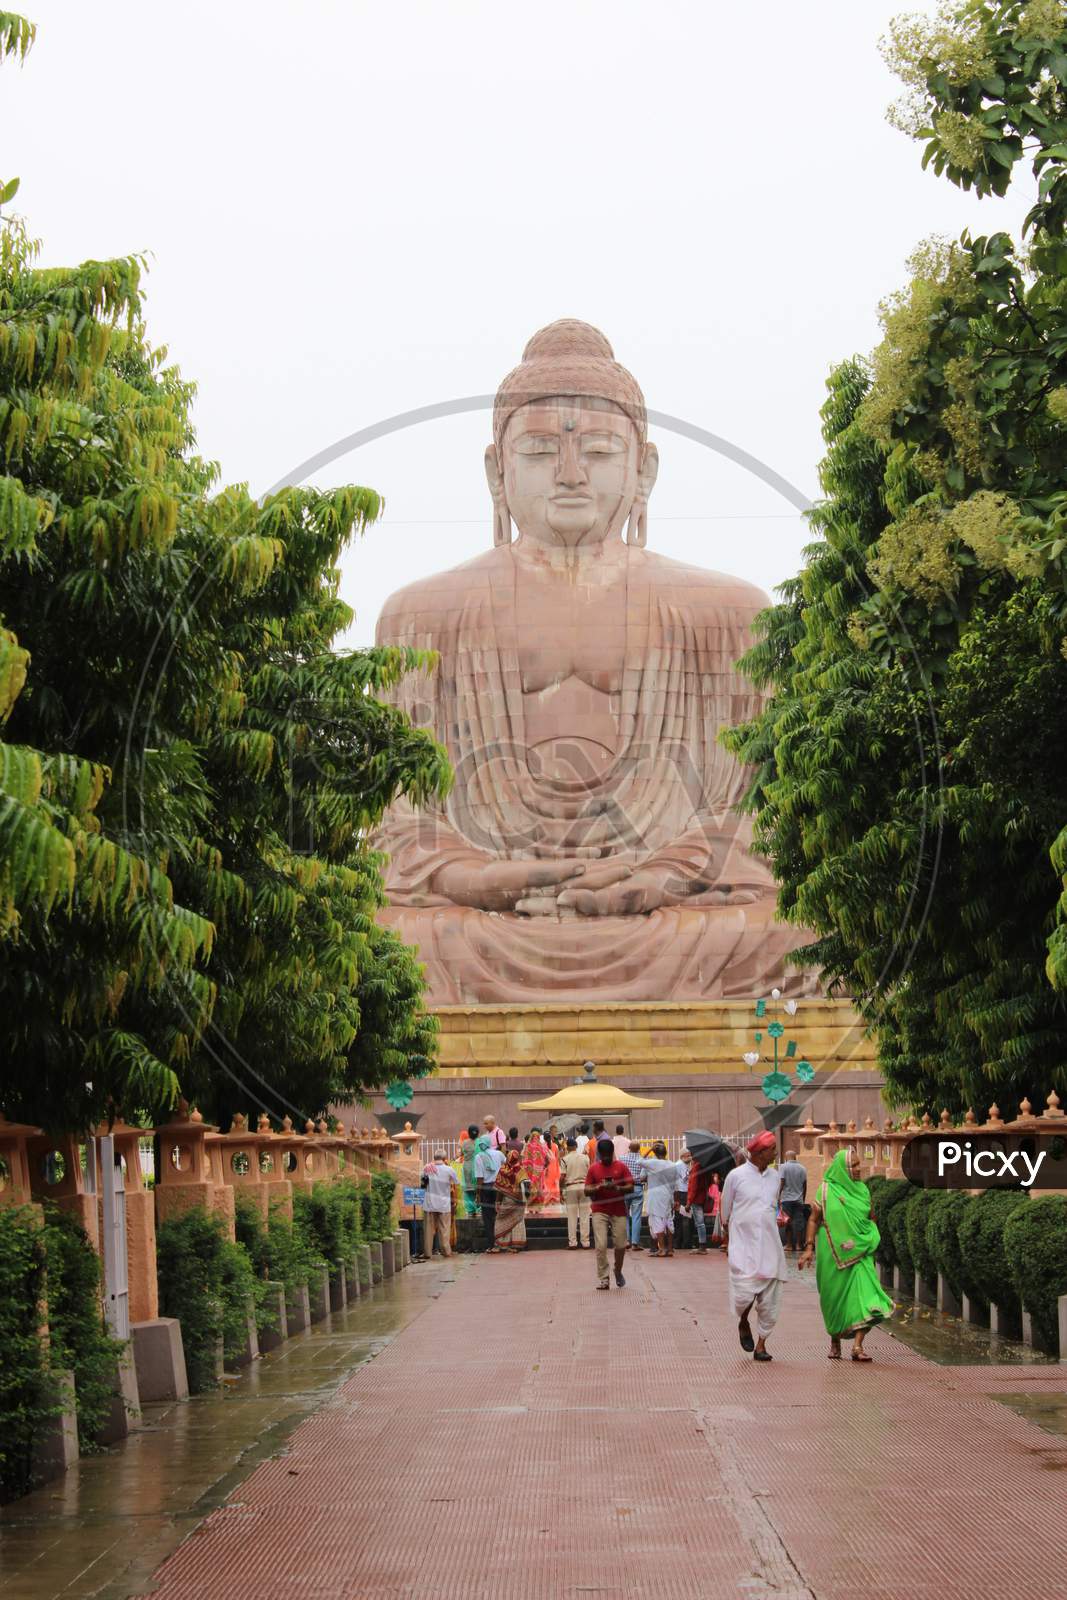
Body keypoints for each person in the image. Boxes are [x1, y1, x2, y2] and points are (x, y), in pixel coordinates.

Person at [799, 1147, 893, 1362]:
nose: (859, 1169)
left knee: (867, 1297)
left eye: (860, 1164)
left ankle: (858, 1347)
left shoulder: (863, 1190)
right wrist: (809, 1247)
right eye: (854, 1165)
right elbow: (814, 1219)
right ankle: (835, 1341)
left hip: (860, 1253)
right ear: (843, 1168)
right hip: (831, 1253)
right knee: (833, 1298)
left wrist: (868, 1238)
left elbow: (871, 1218)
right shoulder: (825, 1190)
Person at [720, 1131, 786, 1362]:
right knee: (744, 1292)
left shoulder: (776, 1177)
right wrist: (727, 1239)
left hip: (769, 1244)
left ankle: (761, 1344)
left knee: (770, 1296)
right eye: (771, 1149)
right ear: (759, 1153)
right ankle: (743, 1320)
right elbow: (725, 1210)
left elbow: (773, 1205)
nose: (775, 1153)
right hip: (743, 1244)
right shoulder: (735, 1176)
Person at [584, 1136, 633, 1289]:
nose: (605, 1159)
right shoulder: (593, 1169)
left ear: (612, 1153)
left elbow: (631, 1186)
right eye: (603, 1156)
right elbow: (586, 1190)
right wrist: (598, 1187)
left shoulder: (622, 1167)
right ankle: (604, 1278)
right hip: (600, 1210)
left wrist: (618, 1187)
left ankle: (617, 1270)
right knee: (601, 1244)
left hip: (618, 1210)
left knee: (620, 1244)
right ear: (599, 1155)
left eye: (608, 1156)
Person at [640, 1142, 681, 1257]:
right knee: (668, 1221)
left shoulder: (653, 1163)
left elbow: (639, 1162)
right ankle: (670, 1248)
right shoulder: (673, 1165)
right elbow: (676, 1185)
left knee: (658, 1222)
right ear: (666, 1152)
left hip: (656, 1197)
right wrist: (676, 1200)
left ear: (655, 1153)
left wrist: (649, 1150)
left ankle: (662, 1249)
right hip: (668, 1196)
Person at [420, 1150, 459, 1259]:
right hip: (443, 1204)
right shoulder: (449, 1170)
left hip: (429, 1204)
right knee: (444, 1229)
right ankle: (446, 1251)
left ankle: (427, 1253)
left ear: (434, 1158)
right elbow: (456, 1182)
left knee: (428, 1230)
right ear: (445, 1158)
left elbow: (422, 1183)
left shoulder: (427, 1168)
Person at [493, 1148, 528, 1252]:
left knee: (500, 1220)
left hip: (508, 1200)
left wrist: (497, 1201)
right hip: (520, 1200)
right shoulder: (521, 1170)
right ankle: (517, 1244)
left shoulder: (503, 1170)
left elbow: (499, 1188)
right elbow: (527, 1186)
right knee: (517, 1221)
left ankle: (502, 1243)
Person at [560, 1136, 591, 1247]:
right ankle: (585, 1242)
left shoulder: (565, 1159)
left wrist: (560, 1190)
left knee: (572, 1217)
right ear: (576, 1146)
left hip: (571, 1188)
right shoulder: (585, 1158)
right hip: (584, 1187)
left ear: (567, 1148)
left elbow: (562, 1176)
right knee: (585, 1216)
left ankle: (572, 1242)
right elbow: (590, 1173)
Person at [475, 1133, 504, 1252]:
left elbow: (480, 1178)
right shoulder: (499, 1154)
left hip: (486, 1188)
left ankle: (492, 1245)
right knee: (499, 1215)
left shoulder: (478, 1157)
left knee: (488, 1218)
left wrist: (478, 1193)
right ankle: (501, 1242)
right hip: (498, 1187)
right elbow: (507, 1164)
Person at [777, 1150, 808, 1252]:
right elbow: (804, 1186)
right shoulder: (802, 1168)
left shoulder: (783, 1167)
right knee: (799, 1222)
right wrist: (803, 1199)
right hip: (799, 1200)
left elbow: (782, 1182)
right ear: (795, 1157)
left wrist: (777, 1197)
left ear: (786, 1158)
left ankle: (789, 1245)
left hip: (786, 1199)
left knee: (787, 1222)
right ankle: (799, 1245)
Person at [686, 1150, 713, 1254]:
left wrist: (689, 1202)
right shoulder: (704, 1166)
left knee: (700, 1223)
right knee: (700, 1222)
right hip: (702, 1196)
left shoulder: (697, 1167)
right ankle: (702, 1245)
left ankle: (702, 1246)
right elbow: (710, 1181)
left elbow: (693, 1186)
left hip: (696, 1198)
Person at [622, 1139, 646, 1249]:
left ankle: (626, 1240)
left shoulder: (622, 1159)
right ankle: (635, 1242)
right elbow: (644, 1177)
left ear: (629, 1148)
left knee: (625, 1216)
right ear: (639, 1149)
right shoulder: (642, 1160)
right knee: (636, 1216)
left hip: (625, 1189)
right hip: (637, 1189)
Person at [521, 1128, 550, 1209]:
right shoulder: (541, 1146)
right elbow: (548, 1159)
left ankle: (530, 1206)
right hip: (539, 1172)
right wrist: (544, 1167)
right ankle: (538, 1207)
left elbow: (523, 1158)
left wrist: (526, 1168)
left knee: (530, 1187)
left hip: (529, 1172)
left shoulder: (527, 1146)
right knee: (539, 1187)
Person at [460, 1124, 481, 1218]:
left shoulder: (464, 1143)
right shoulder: (481, 1142)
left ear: (468, 1133)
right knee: (479, 1189)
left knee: (468, 1191)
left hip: (467, 1168)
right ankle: (479, 1209)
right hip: (479, 1167)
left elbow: (461, 1153)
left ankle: (470, 1210)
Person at [674, 1149, 693, 1248]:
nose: (690, 1157)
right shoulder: (680, 1165)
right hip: (682, 1193)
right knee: (685, 1218)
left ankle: (679, 1242)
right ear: (683, 1156)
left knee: (680, 1218)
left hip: (681, 1192)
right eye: (688, 1155)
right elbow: (686, 1178)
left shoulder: (682, 1165)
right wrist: (691, 1172)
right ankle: (685, 1243)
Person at [708, 1170, 724, 1247]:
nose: (715, 1178)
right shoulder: (714, 1186)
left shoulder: (717, 1186)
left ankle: (725, 1241)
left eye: (716, 1177)